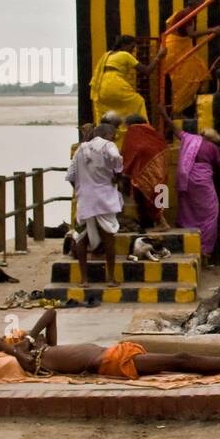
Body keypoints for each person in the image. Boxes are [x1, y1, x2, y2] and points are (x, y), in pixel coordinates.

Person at [0, 309, 220, 380]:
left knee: (179, 358)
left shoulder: (44, 347)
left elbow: (51, 314)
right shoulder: (31, 361)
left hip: (117, 352)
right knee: (181, 357)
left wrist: (30, 335)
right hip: (110, 363)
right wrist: (15, 348)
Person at [66, 121, 124, 289]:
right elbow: (115, 157)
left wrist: (80, 190)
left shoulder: (80, 149)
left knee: (82, 237)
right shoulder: (108, 145)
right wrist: (117, 174)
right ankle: (111, 278)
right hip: (105, 198)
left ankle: (84, 280)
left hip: (85, 199)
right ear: (108, 134)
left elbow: (70, 175)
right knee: (109, 238)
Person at [88, 34, 165, 136]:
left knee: (109, 110)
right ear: (124, 45)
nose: (133, 51)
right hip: (114, 84)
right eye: (132, 47)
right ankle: (142, 133)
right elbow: (147, 71)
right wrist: (158, 57)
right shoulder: (125, 54)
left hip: (100, 87)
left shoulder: (106, 55)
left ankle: (111, 134)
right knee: (138, 102)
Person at [159, 0, 215, 116]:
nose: (203, 5)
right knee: (185, 81)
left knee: (200, 72)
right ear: (196, 2)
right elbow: (191, 34)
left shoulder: (185, 12)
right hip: (175, 50)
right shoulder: (187, 14)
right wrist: (212, 30)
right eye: (202, 2)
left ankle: (187, 110)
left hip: (178, 48)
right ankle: (179, 112)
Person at [177, 125, 220, 263]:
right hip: (203, 181)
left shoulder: (189, 140)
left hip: (186, 180)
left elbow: (175, 130)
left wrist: (162, 113)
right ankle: (204, 251)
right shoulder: (212, 147)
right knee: (211, 214)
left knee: (187, 209)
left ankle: (187, 243)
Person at [120, 114, 171, 231]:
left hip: (144, 173)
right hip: (161, 169)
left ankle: (162, 223)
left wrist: (124, 172)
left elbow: (128, 153)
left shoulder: (134, 132)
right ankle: (154, 223)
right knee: (160, 194)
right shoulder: (153, 133)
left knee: (143, 197)